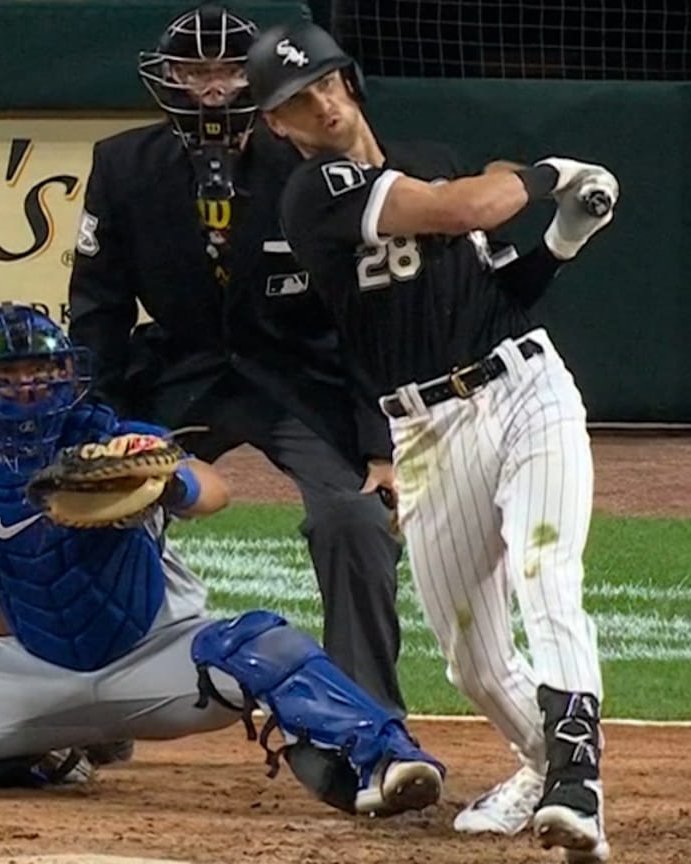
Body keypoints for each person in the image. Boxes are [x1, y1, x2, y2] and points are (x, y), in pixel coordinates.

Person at [244, 20, 618, 863]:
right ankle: (541, 764)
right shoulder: (315, 192)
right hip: (424, 429)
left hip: (526, 389)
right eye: (298, 99)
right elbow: (467, 207)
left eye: (327, 82)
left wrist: (565, 239)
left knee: (546, 573)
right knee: (472, 662)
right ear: (276, 123)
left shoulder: (428, 154)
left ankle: (576, 786)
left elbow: (503, 294)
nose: (322, 103)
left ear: (348, 80)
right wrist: (551, 175)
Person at [0, 302, 445, 820]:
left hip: (161, 661)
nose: (26, 386)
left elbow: (214, 491)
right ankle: (37, 761)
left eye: (41, 371)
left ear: (66, 375)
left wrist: (168, 484)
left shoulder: (116, 438)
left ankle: (387, 757)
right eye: (7, 374)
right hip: (37, 674)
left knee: (264, 643)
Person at [69, 2, 409, 721]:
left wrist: (382, 446)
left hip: (297, 374)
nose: (213, 88)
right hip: (179, 373)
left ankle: (364, 718)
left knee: (356, 517)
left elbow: (365, 318)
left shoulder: (315, 165)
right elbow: (98, 310)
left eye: (227, 70)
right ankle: (87, 709)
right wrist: (94, 427)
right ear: (169, 79)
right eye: (195, 72)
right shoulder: (121, 165)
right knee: (85, 504)